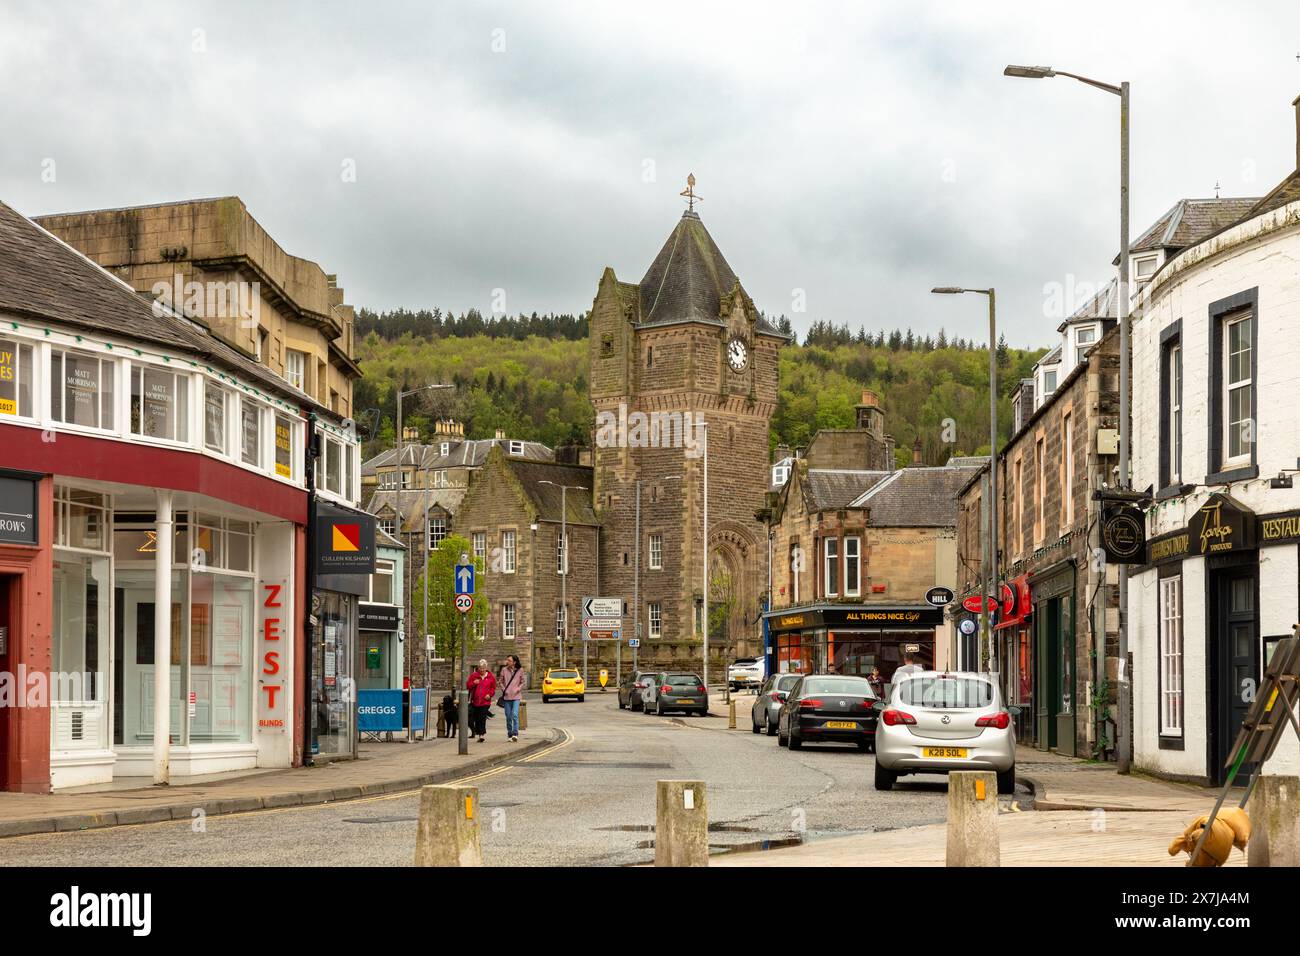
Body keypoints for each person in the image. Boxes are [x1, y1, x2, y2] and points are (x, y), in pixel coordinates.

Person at [466, 659, 496, 743]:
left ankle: (481, 735)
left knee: (482, 718)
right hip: (474, 701)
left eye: (483, 668)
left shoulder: (491, 677)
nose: (482, 670)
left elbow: (493, 688)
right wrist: (474, 683)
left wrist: (489, 695)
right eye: (480, 668)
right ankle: (479, 733)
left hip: (485, 702)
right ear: (478, 668)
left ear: (486, 667)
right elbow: (468, 686)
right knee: (476, 718)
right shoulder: (474, 676)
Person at [498, 654, 525, 742]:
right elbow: (500, 682)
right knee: (508, 716)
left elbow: (522, 682)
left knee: (515, 715)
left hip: (516, 696)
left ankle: (515, 734)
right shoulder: (504, 670)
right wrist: (504, 689)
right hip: (506, 697)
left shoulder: (520, 670)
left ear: (514, 662)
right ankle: (510, 734)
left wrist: (518, 688)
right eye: (507, 660)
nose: (507, 662)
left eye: (509, 660)